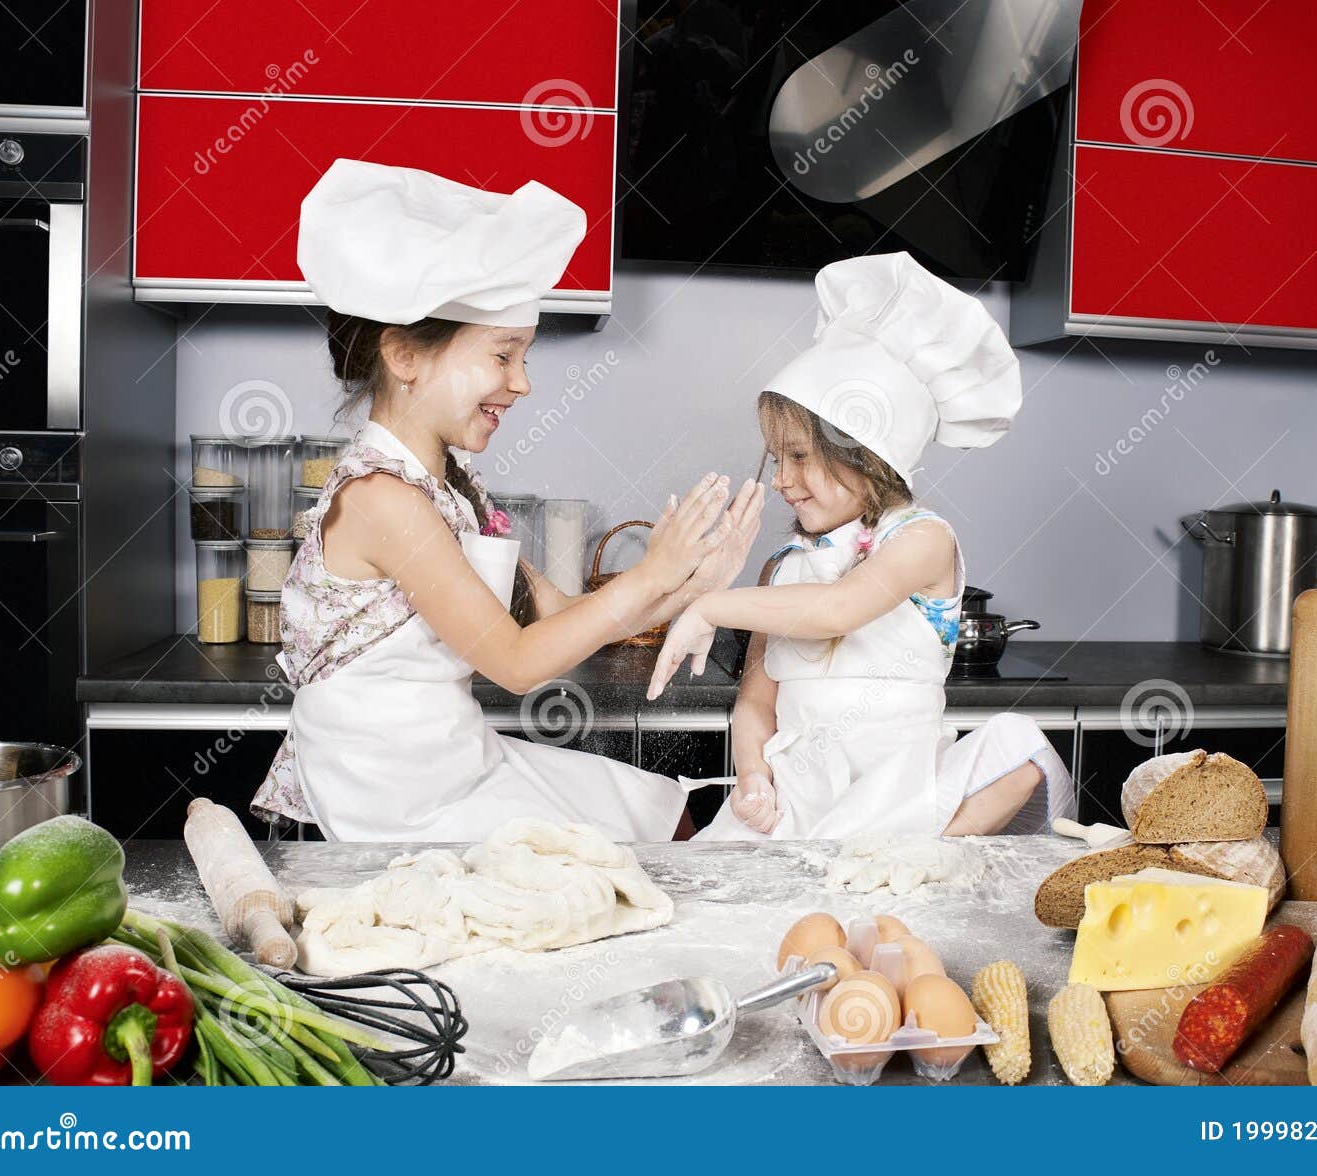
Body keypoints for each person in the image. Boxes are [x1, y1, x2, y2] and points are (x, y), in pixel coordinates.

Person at [250, 159, 763, 842]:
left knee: (664, 812)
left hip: (455, 766)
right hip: (397, 802)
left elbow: (562, 616)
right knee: (619, 858)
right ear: (405, 356)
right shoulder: (381, 498)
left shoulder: (448, 486)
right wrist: (649, 573)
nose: (522, 383)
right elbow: (518, 664)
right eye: (503, 355)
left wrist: (693, 588)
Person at [647, 252, 1075, 840]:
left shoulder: (924, 540)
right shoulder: (782, 569)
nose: (780, 480)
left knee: (1018, 747)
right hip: (799, 807)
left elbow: (836, 611)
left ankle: (923, 852)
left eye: (798, 457)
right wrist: (753, 781)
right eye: (777, 460)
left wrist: (709, 604)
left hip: (901, 801)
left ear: (866, 455)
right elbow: (757, 705)